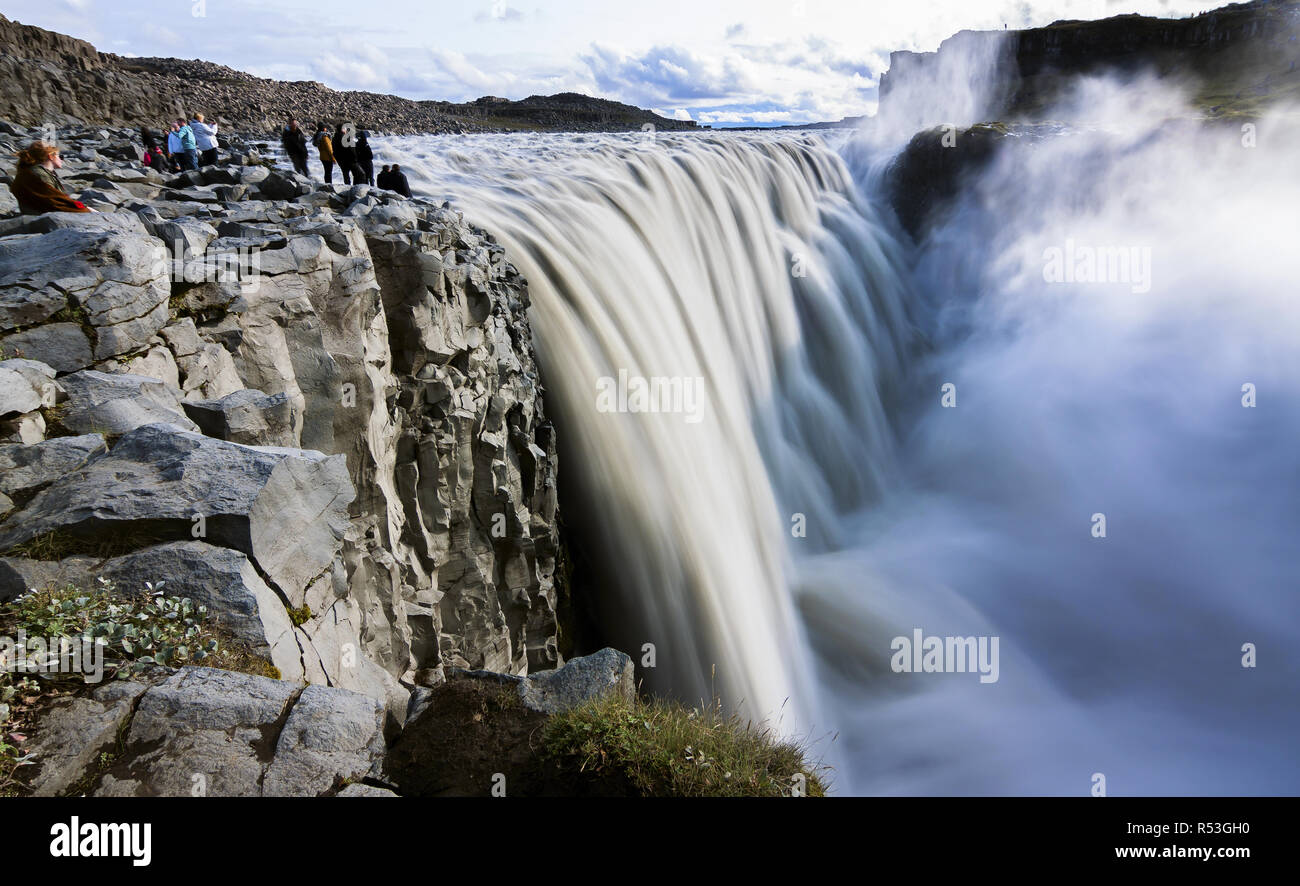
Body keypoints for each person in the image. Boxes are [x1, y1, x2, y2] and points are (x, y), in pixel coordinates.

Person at [10, 142, 91, 214]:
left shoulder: (30, 171)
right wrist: (85, 209)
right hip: (42, 216)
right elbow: (53, 202)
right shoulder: (40, 174)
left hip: (33, 213)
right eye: (60, 156)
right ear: (51, 157)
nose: (61, 159)